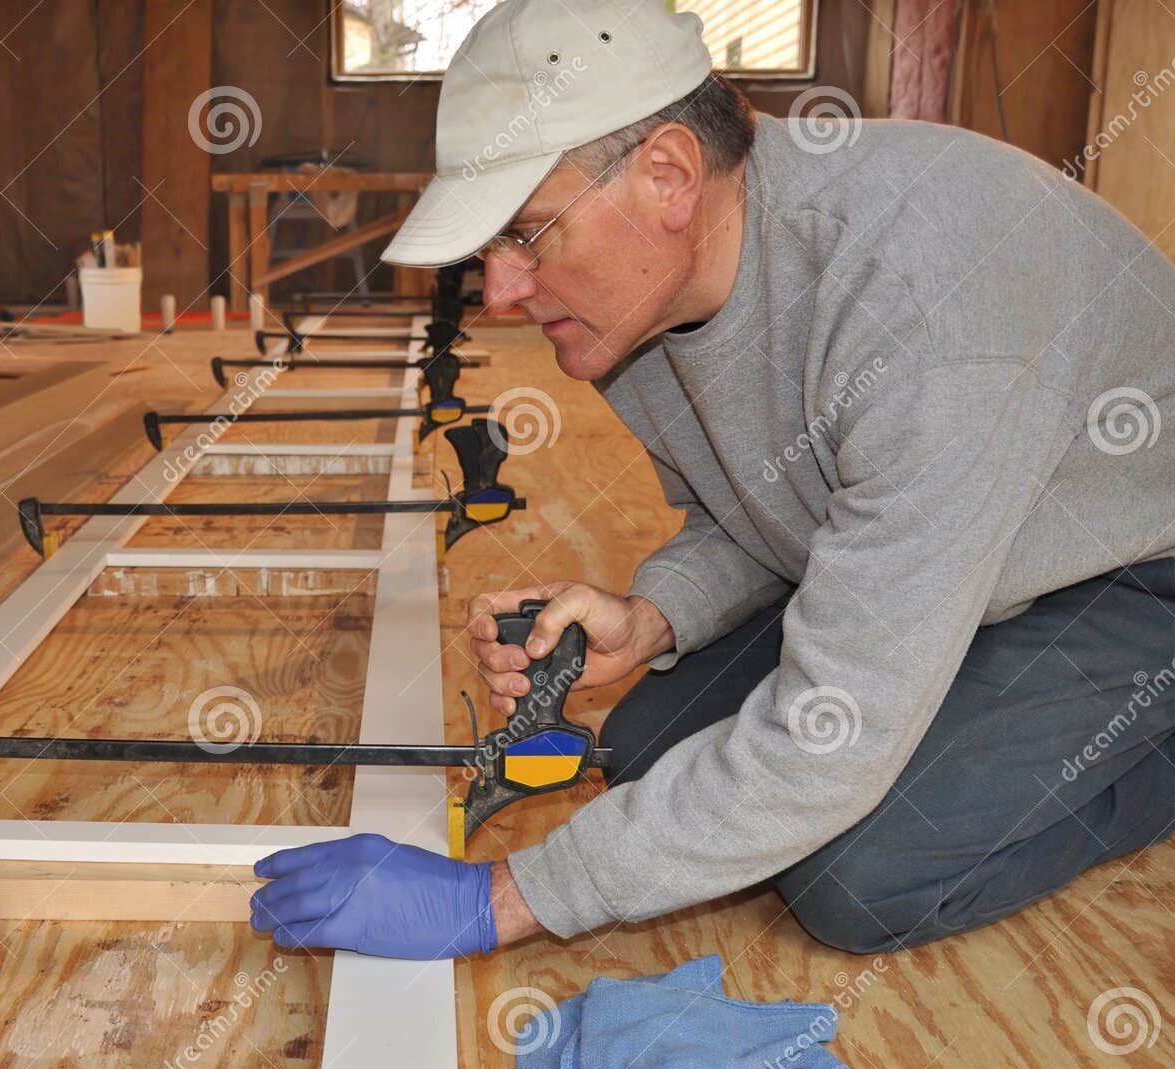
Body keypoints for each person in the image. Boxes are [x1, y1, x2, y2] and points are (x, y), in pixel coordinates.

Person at [249, 0, 1175, 958]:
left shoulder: (919, 306)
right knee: (648, 747)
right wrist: (654, 614)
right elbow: (756, 511)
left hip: (1129, 573)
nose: (501, 290)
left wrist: (500, 899)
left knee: (861, 869)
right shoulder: (637, 307)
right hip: (957, 558)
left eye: (526, 234)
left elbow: (834, 737)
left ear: (669, 175)